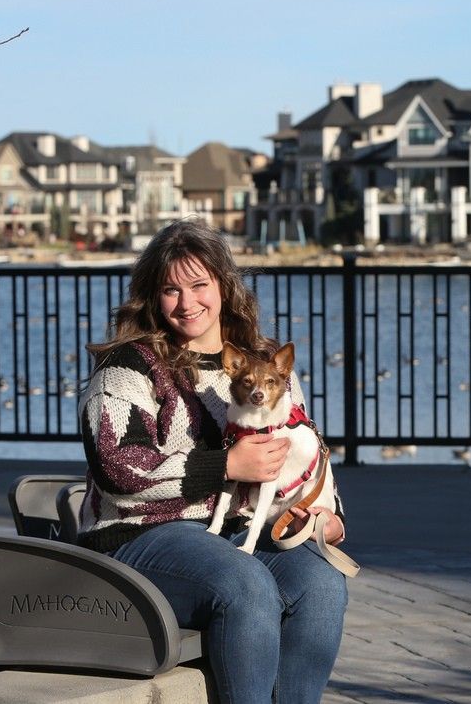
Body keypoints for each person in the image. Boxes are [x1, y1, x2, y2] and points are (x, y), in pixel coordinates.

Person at [77, 217, 348, 704]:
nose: (186, 303)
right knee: (244, 583)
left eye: (199, 285)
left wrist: (327, 514)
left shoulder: (265, 365)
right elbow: (116, 468)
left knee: (321, 584)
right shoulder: (127, 367)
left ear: (224, 286)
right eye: (169, 290)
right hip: (136, 536)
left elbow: (304, 446)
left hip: (236, 531)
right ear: (150, 297)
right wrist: (224, 466)